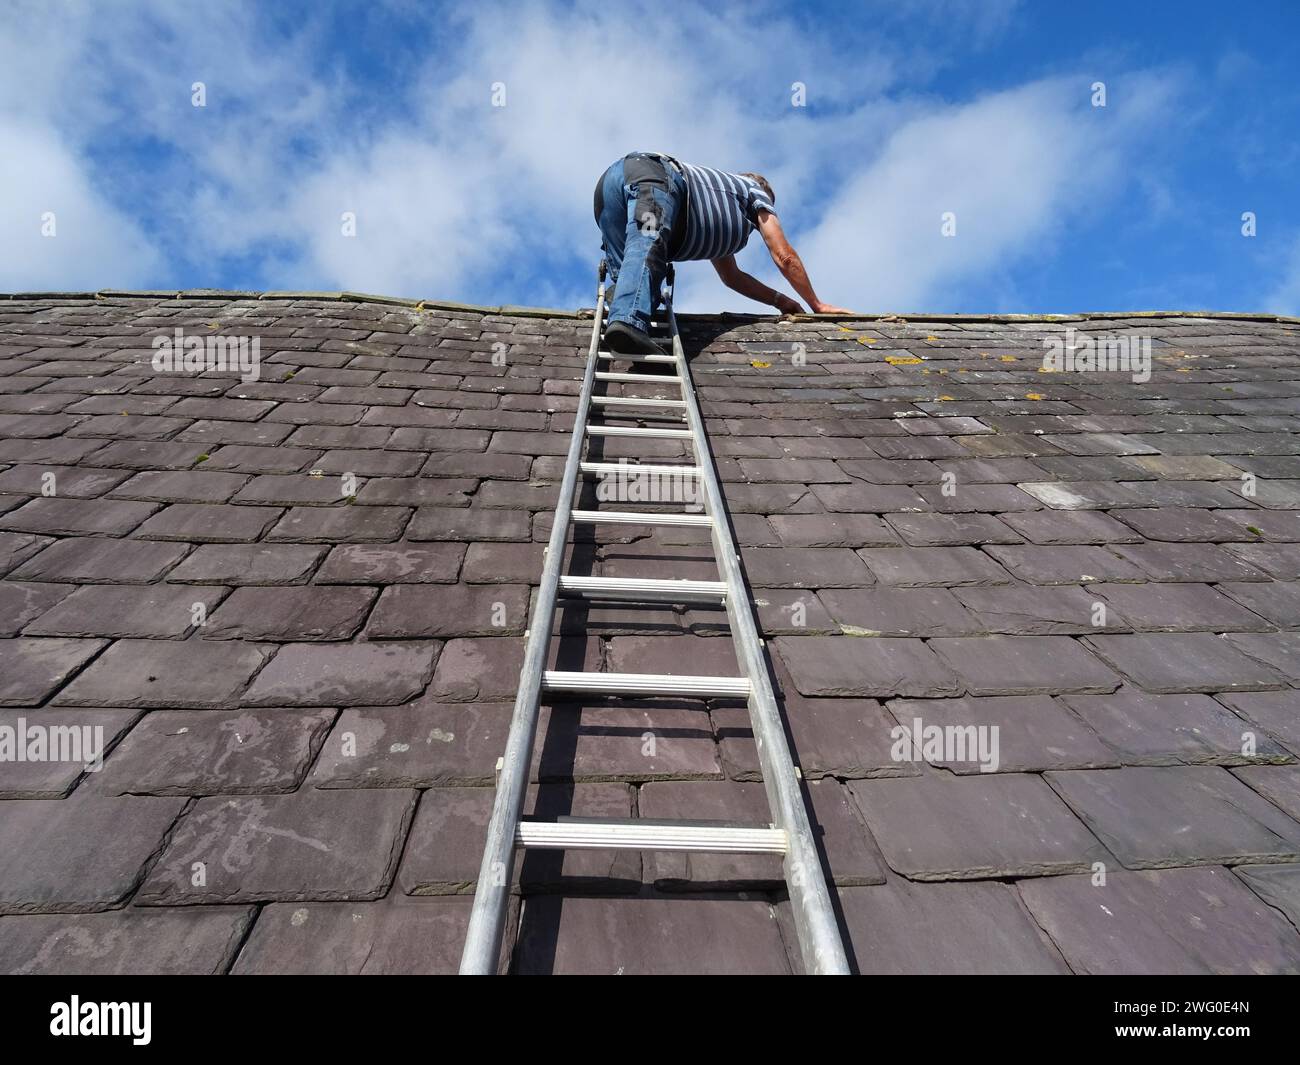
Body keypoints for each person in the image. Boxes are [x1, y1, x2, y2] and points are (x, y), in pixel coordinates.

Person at [593, 151, 852, 355]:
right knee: (648, 240)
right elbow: (783, 254)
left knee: (638, 267)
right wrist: (816, 304)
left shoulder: (718, 215)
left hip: (610, 190)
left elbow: (732, 277)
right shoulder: (753, 190)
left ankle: (625, 314)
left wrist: (781, 301)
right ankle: (627, 322)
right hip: (651, 178)